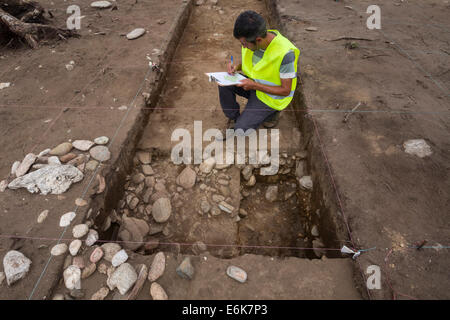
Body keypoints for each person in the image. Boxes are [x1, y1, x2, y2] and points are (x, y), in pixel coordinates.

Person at [217, 10, 300, 140]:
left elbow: (285, 90)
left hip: (270, 97)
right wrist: (236, 67)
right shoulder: (254, 37)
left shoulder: (285, 53)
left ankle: (272, 113)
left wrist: (254, 85)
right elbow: (253, 63)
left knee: (240, 131)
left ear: (259, 40)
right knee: (223, 82)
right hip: (253, 85)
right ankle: (234, 118)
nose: (243, 47)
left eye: (244, 44)